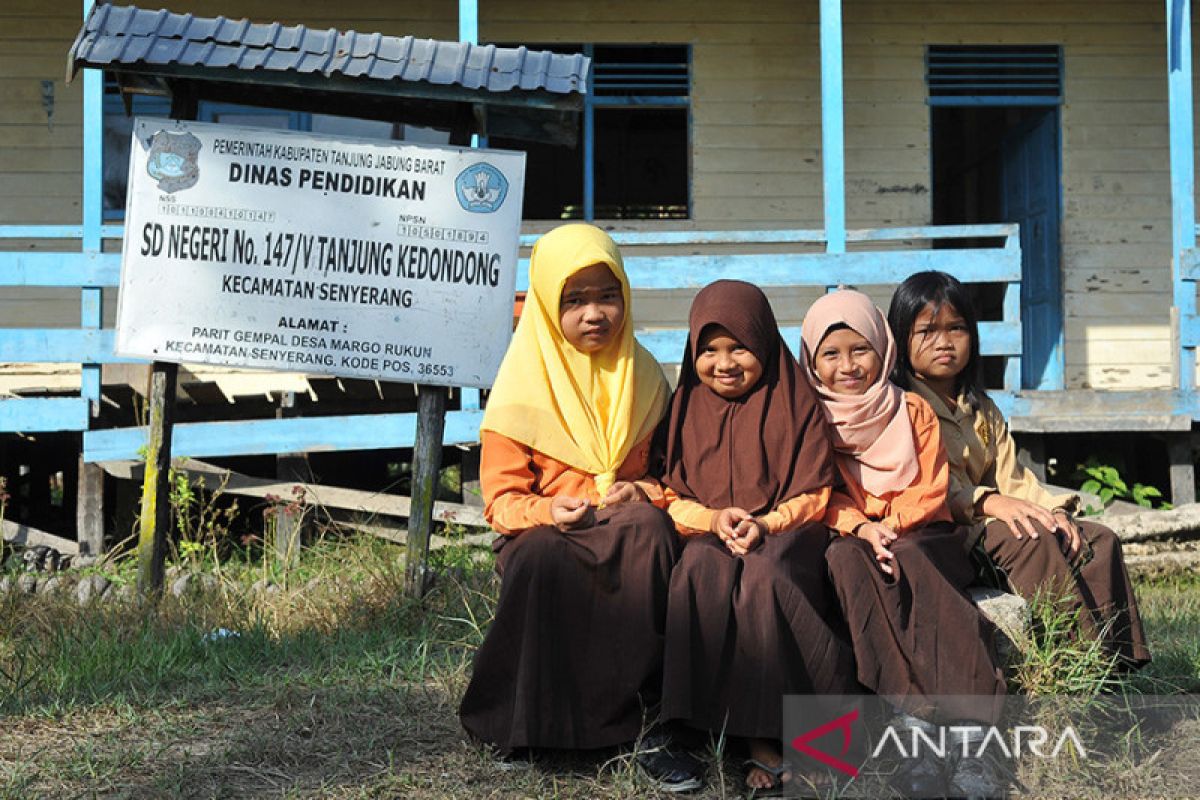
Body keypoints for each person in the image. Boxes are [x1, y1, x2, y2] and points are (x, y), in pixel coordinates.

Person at [458, 224, 702, 791]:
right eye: (574, 301)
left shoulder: (644, 377)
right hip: (549, 528)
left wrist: (639, 491)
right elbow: (502, 502)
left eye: (608, 296)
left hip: (623, 522)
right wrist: (550, 512)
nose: (595, 314)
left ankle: (646, 727)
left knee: (648, 530)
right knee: (542, 555)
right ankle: (536, 726)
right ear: (546, 303)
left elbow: (666, 478)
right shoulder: (520, 386)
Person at [888, 270, 1150, 669]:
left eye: (956, 328)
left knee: (1098, 539)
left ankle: (1122, 665)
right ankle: (1077, 665)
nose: (943, 342)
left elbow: (1015, 479)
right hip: (947, 534)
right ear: (900, 337)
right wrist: (990, 503)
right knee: (1031, 538)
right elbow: (932, 488)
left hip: (993, 519)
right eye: (926, 331)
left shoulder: (981, 407)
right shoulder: (901, 407)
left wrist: (1056, 511)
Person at [657, 279, 856, 796]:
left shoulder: (795, 403)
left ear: (765, 343)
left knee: (766, 577)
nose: (724, 363)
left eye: (739, 347)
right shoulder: (683, 409)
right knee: (700, 571)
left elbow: (817, 493)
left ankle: (787, 735)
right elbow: (668, 494)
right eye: (709, 350)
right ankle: (699, 729)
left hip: (787, 532)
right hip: (709, 532)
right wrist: (713, 519)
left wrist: (765, 523)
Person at [799, 289, 1006, 727]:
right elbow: (821, 490)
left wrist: (890, 524)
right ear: (811, 362)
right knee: (844, 559)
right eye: (831, 354)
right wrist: (861, 526)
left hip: (923, 530)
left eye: (861, 350)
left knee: (909, 556)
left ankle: (971, 704)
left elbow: (933, 486)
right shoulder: (809, 420)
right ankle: (908, 704)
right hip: (853, 534)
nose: (848, 366)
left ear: (884, 349)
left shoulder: (911, 410)